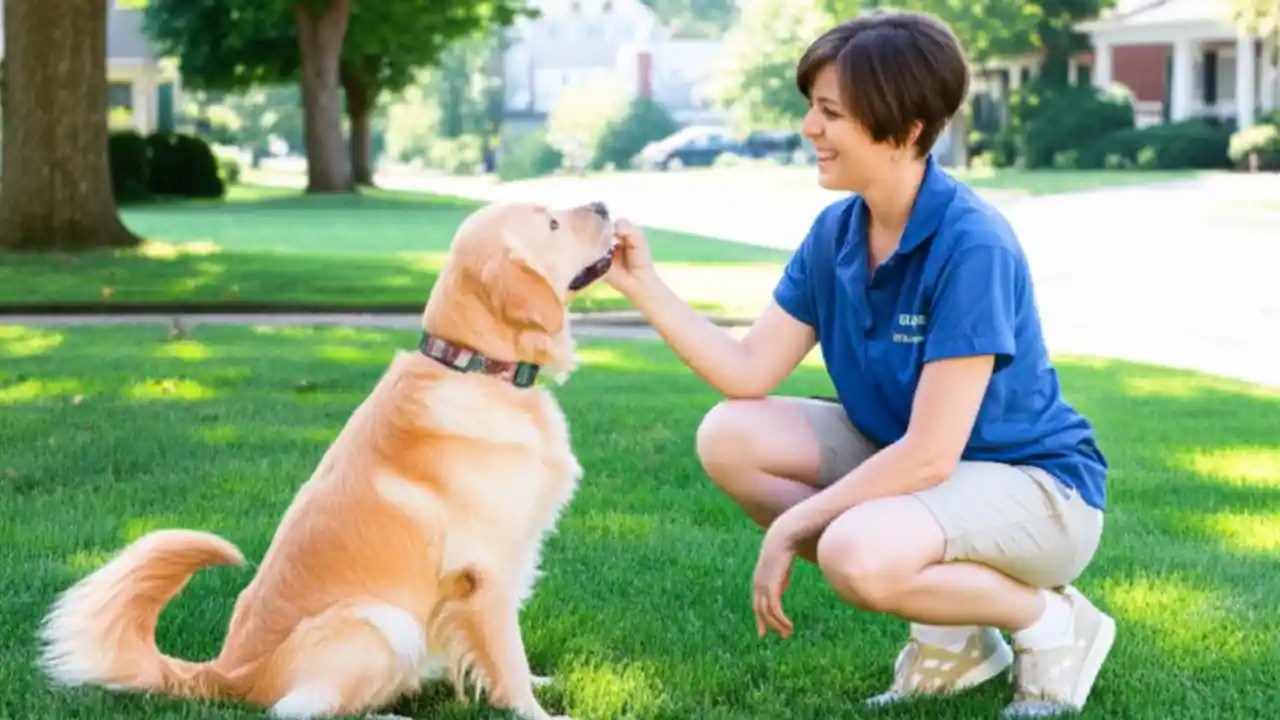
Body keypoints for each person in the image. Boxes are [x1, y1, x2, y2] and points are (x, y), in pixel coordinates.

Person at [602, 8, 1115, 719]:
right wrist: (642, 285)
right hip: (929, 469)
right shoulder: (838, 231)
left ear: (905, 130)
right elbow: (747, 372)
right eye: (812, 108)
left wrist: (794, 525)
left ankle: (1052, 624)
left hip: (1036, 490)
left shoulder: (973, 245)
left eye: (831, 112)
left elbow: (932, 455)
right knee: (731, 436)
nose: (810, 128)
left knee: (854, 552)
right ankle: (957, 640)